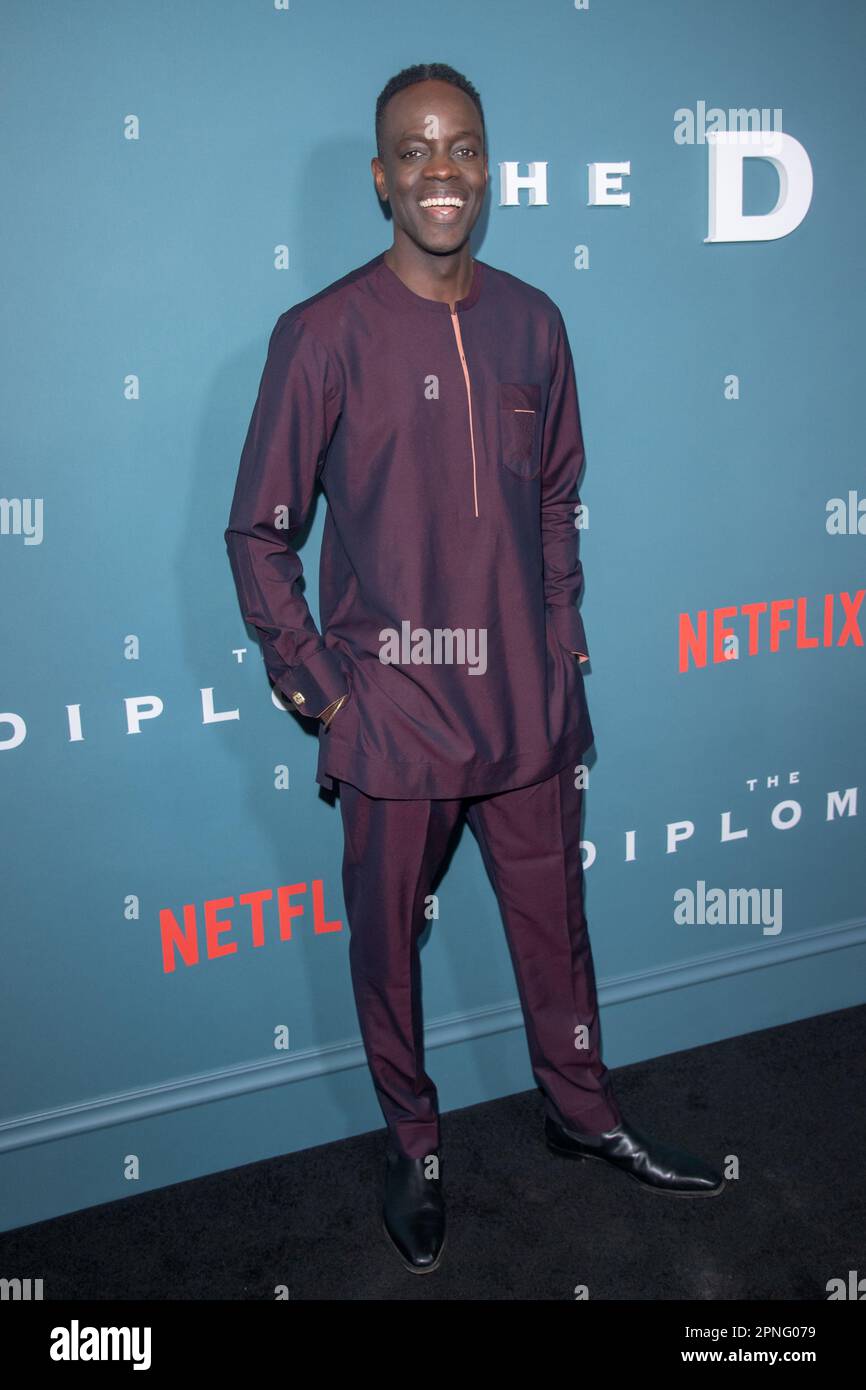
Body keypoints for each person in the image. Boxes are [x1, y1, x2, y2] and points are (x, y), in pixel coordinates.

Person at [225, 61, 725, 1277]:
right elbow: (259, 532)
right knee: (385, 949)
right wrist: (323, 691)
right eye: (414, 150)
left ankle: (580, 1106)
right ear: (382, 178)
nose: (439, 170)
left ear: (486, 168)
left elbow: (555, 496)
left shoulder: (532, 321)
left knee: (557, 933)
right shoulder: (320, 334)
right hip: (392, 716)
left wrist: (560, 636)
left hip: (528, 710)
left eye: (461, 148)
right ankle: (414, 1144)